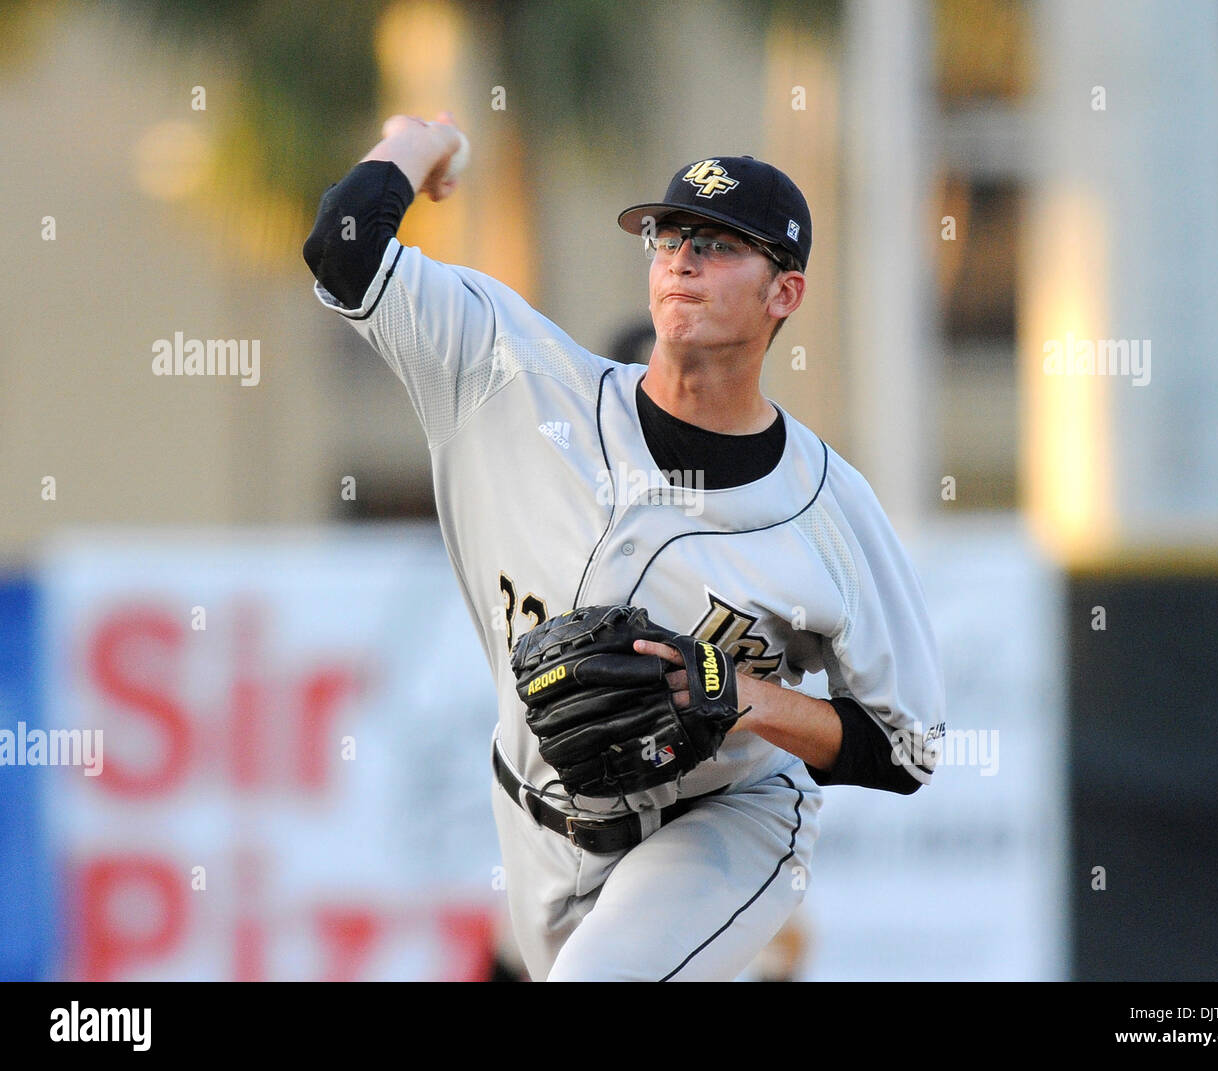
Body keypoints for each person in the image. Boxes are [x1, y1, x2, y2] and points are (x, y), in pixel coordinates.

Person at [303, 114, 945, 982]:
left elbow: (903, 748)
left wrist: (740, 694)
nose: (681, 256)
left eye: (719, 244)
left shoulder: (830, 509)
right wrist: (417, 144)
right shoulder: (510, 373)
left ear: (784, 294)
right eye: (670, 235)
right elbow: (344, 249)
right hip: (532, 827)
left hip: (722, 823)